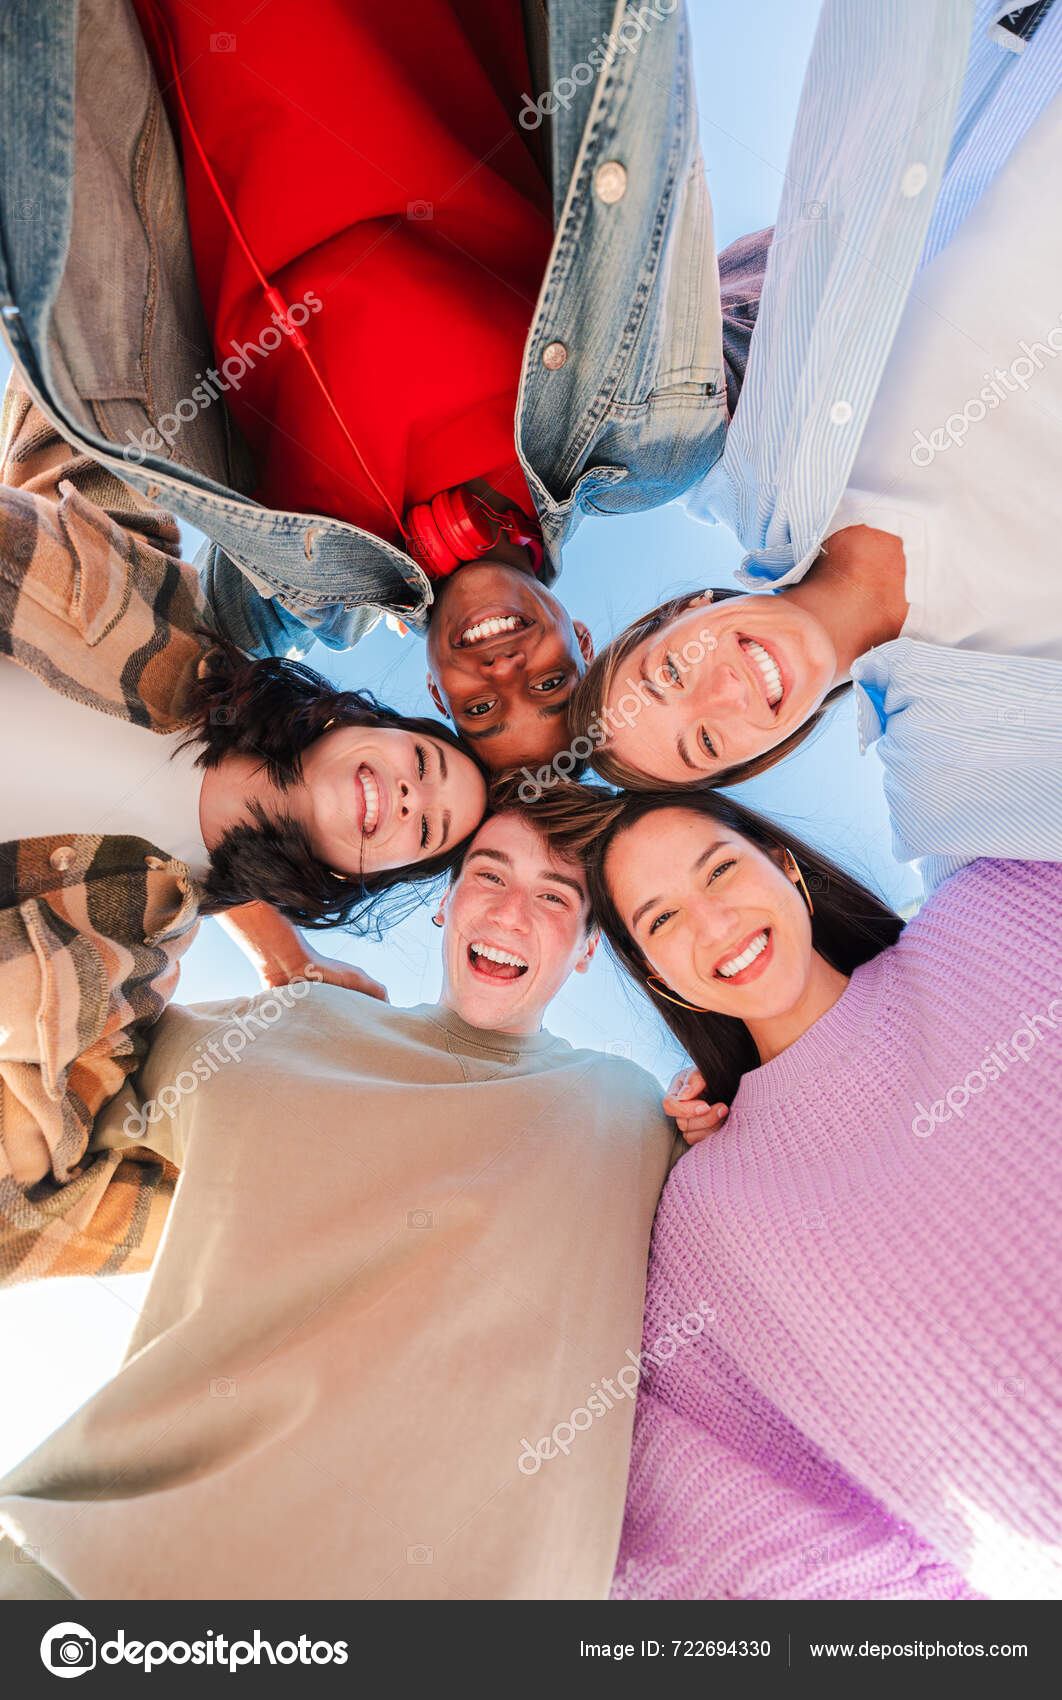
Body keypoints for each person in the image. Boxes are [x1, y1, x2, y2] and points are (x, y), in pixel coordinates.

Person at [0, 0, 769, 773]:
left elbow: (195, 699)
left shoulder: (315, 593)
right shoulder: (640, 448)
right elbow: (798, 301)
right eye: (551, 682)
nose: (506, 673)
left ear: (436, 698)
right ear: (586, 642)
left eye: (480, 709)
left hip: (195, 56)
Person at [0, 805, 676, 1601]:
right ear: (444, 903)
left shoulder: (628, 1114)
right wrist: (283, 948)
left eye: (557, 898)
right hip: (94, 1568)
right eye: (487, 876)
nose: (508, 912)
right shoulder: (299, 1022)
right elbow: (71, 1037)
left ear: (591, 947)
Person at [0, 374, 487, 1287]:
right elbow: (86, 380)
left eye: (424, 832)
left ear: (351, 874)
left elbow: (32, 1203)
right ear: (359, 720)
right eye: (423, 765)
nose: (414, 799)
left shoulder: (124, 969)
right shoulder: (162, 593)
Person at [571, 0, 1062, 888]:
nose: (721, 691)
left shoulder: (757, 457)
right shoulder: (950, 768)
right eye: (706, 742)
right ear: (753, 762)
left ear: (685, 611)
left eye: (670, 670)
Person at [536, 784, 1062, 1598]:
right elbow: (740, 1518)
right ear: (659, 976)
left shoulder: (992, 916)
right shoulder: (705, 1211)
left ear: (783, 865)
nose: (712, 923)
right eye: (663, 920)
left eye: (718, 871)